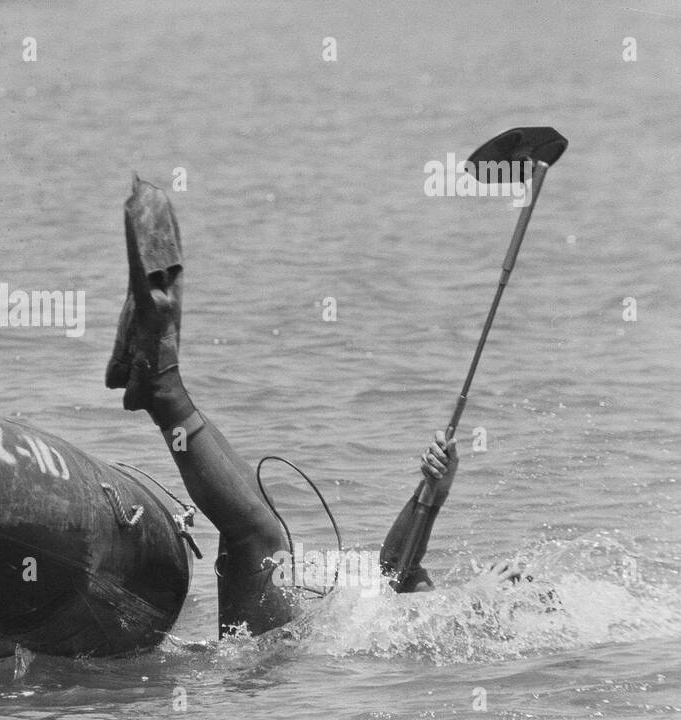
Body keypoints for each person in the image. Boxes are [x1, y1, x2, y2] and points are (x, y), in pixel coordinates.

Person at [106, 176, 521, 636]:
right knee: (255, 510)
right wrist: (434, 490)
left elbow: (404, 620)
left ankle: (161, 384)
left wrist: (474, 601)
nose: (504, 579)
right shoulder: (445, 608)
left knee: (259, 535)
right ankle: (156, 377)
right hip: (285, 634)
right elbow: (391, 570)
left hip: (276, 659)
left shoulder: (458, 633)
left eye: (515, 589)